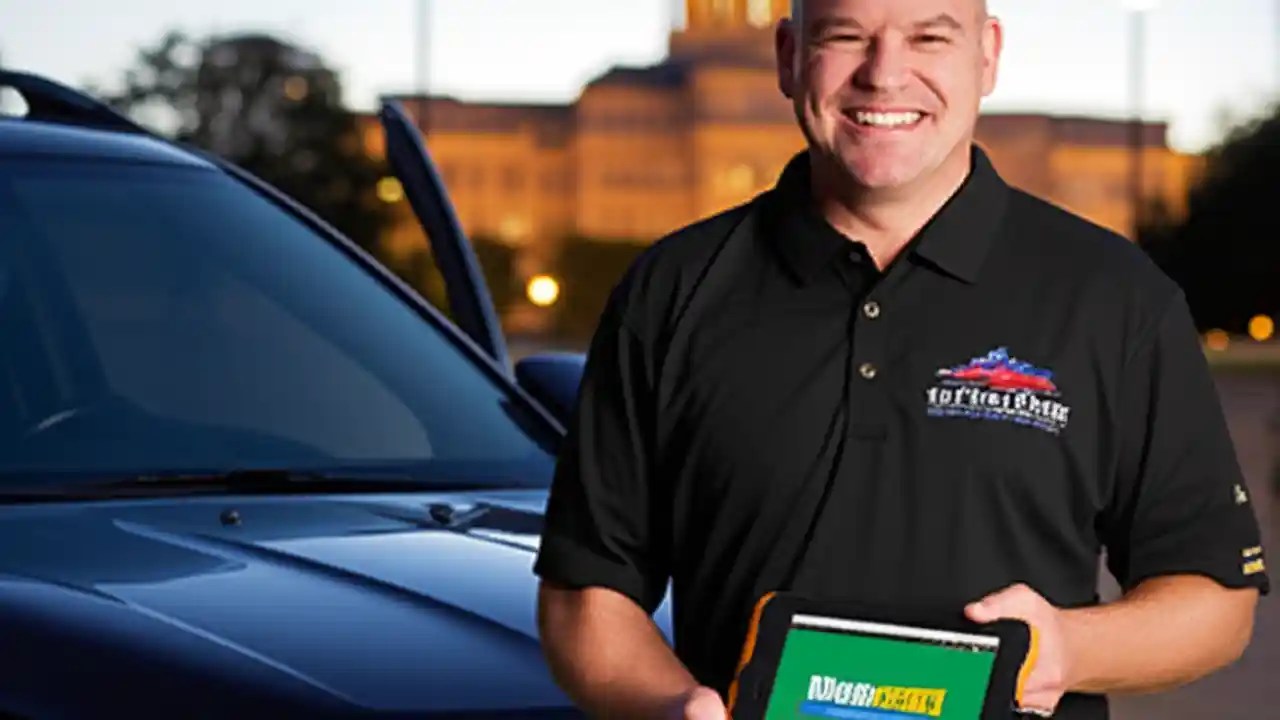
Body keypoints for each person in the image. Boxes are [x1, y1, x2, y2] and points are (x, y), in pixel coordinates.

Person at [533, 0, 1270, 717]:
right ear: (790, 56)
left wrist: (1068, 648)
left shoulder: (1118, 299)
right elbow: (584, 593)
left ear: (987, 56)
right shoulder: (670, 292)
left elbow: (1215, 600)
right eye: (847, 35)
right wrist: (670, 706)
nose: (885, 75)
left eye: (929, 37)